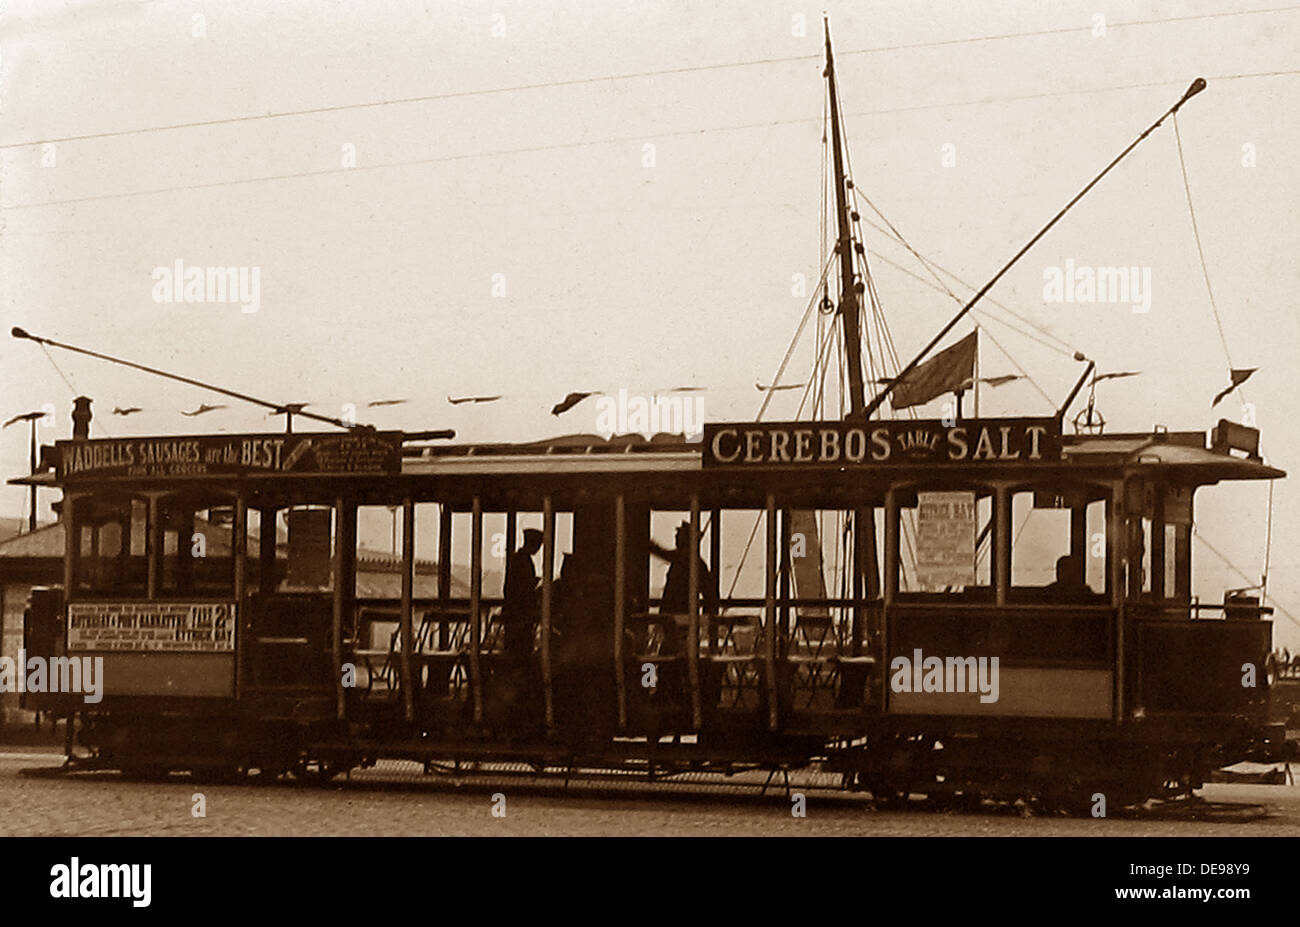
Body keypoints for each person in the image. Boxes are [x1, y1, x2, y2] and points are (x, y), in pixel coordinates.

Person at [650, 521, 718, 655]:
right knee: (673, 653)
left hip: (678, 617)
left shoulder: (685, 560)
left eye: (679, 535)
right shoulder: (696, 563)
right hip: (679, 618)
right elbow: (710, 594)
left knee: (670, 654)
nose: (676, 537)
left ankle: (659, 675)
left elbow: (710, 594)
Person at [502, 529, 543, 662]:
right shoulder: (523, 561)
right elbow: (521, 587)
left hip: (515, 612)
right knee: (521, 649)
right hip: (520, 612)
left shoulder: (518, 559)